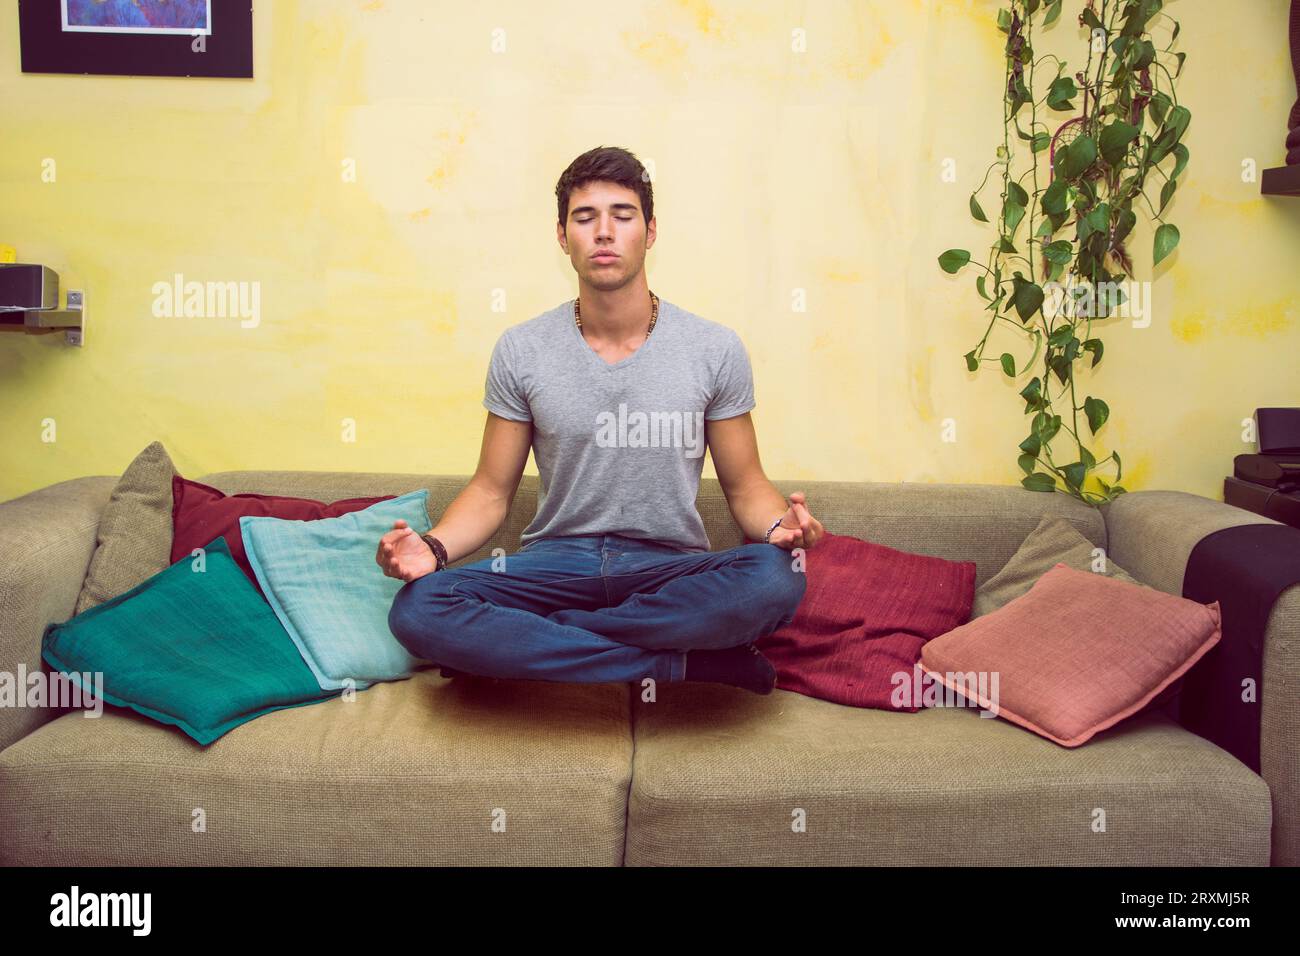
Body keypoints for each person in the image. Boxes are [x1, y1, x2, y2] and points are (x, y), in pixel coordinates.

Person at [380, 146, 823, 695]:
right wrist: (434, 546)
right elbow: (493, 491)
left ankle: (534, 644)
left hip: (666, 570)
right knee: (420, 609)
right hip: (555, 568)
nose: (605, 232)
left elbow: (746, 485)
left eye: (623, 215)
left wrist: (781, 528)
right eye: (585, 218)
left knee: (775, 578)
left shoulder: (714, 348)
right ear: (563, 238)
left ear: (651, 231)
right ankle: (679, 664)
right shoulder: (522, 349)